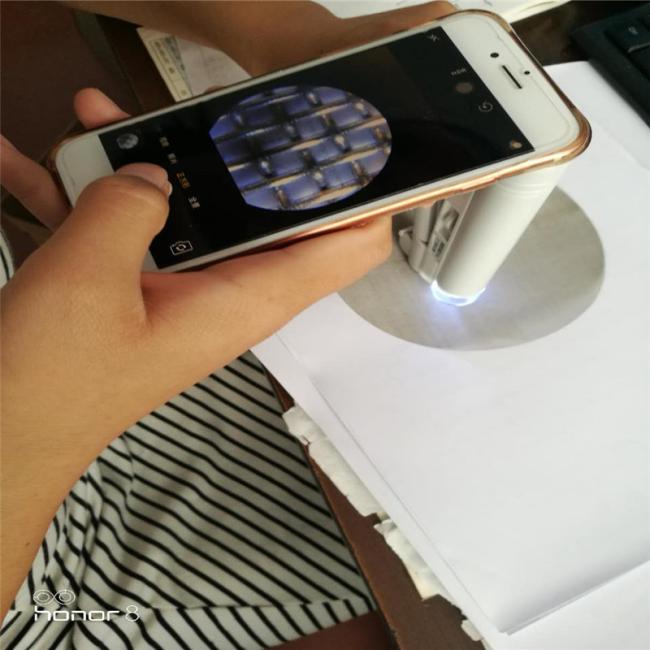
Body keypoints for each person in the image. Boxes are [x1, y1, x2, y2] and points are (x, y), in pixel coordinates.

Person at [1, 2, 454, 647]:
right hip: (61, 596)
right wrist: (33, 428)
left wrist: (283, 33)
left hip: (70, 351)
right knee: (406, 577)